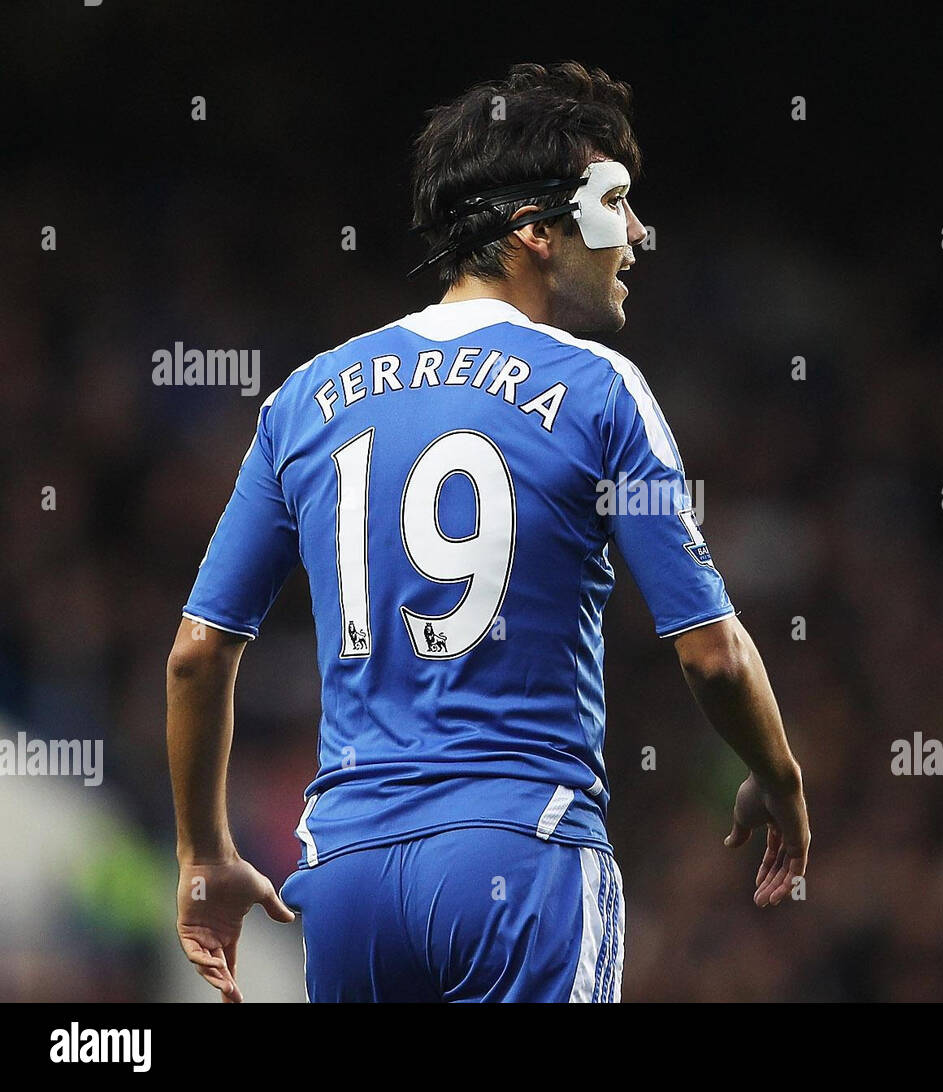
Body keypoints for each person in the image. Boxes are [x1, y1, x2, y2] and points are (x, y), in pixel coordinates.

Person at [166, 61, 809, 1003]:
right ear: (536, 229)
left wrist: (203, 854)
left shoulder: (302, 401)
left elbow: (195, 653)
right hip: (522, 853)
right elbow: (711, 655)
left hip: (345, 883)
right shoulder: (600, 390)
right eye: (617, 202)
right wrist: (777, 773)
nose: (637, 234)